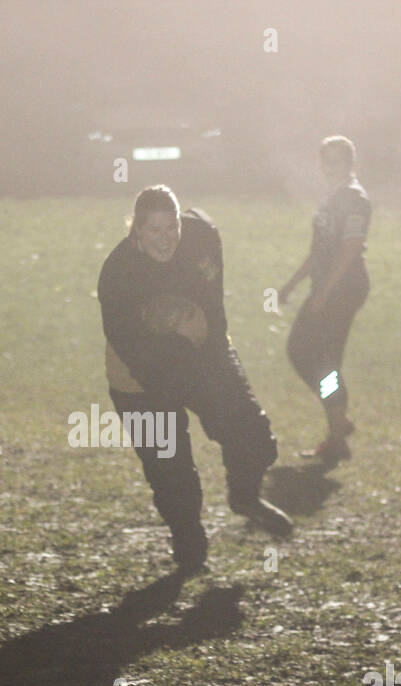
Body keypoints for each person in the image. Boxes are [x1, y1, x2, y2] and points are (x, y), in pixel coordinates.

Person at [98, 185, 292, 574]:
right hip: (140, 378)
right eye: (153, 230)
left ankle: (244, 498)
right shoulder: (118, 274)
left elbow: (214, 307)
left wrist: (214, 364)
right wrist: (178, 351)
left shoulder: (202, 236)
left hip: (203, 353)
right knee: (171, 473)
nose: (165, 239)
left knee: (254, 438)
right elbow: (136, 354)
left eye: (171, 228)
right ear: (136, 230)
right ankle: (190, 549)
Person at [279, 136, 371, 465]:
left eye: (337, 160)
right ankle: (338, 418)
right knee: (302, 352)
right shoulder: (331, 197)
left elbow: (349, 251)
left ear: (350, 163)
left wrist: (324, 292)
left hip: (344, 289)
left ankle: (337, 436)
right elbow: (319, 250)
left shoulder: (354, 199)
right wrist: (292, 283)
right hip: (327, 286)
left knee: (326, 361)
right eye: (326, 160)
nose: (330, 166)